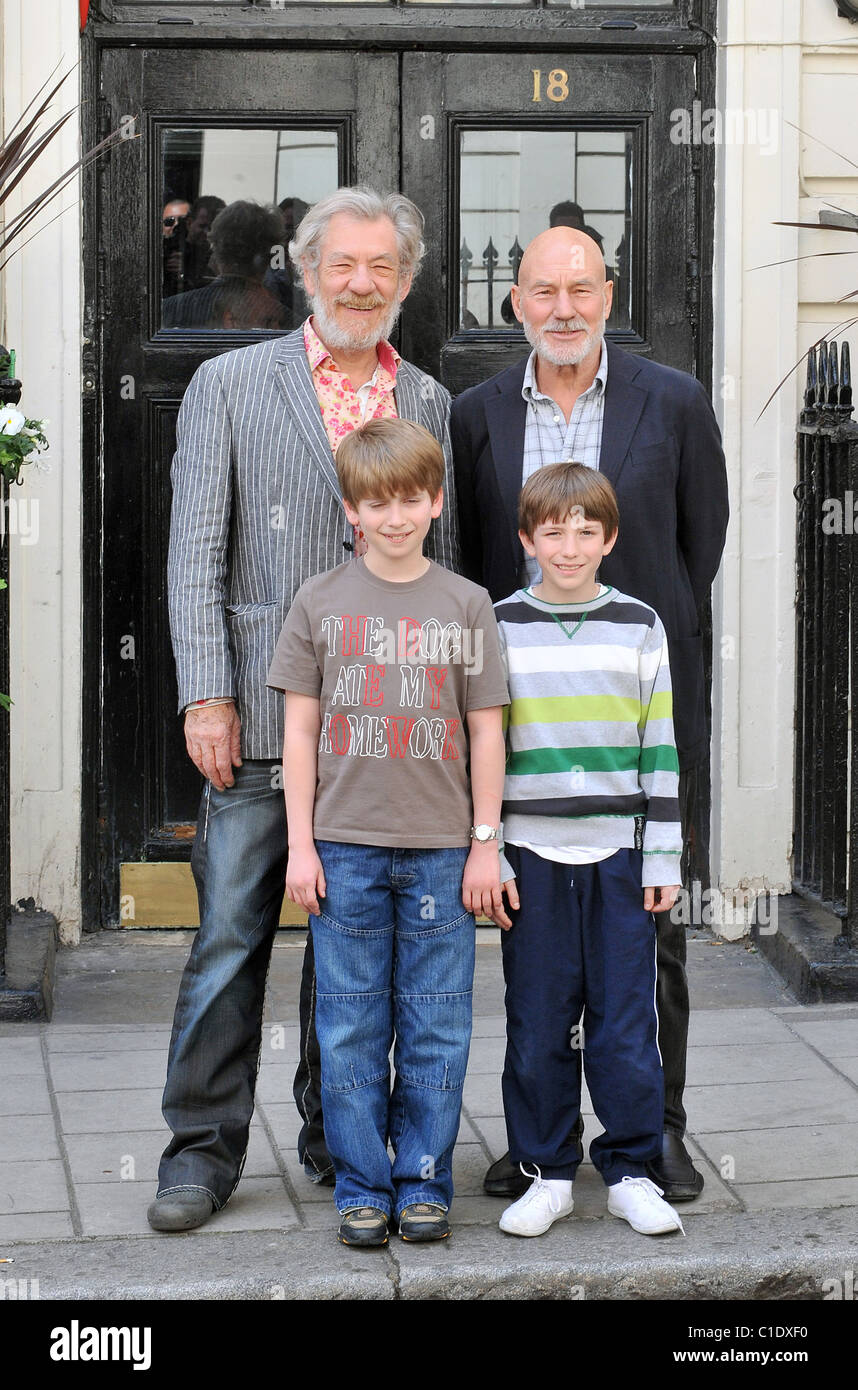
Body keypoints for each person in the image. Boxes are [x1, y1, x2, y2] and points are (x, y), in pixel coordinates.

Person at [149, 187, 459, 1234]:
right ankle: (200, 1146)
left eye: (383, 268)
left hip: (382, 736)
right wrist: (206, 691)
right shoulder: (230, 382)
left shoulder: (429, 399)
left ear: (405, 283)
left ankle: (342, 1137)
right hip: (257, 714)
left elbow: (439, 574)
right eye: (344, 264)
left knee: (357, 939)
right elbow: (195, 549)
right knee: (233, 935)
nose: (362, 283)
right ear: (307, 268)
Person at [451, 225, 729, 1203]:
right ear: (516, 302)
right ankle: (544, 1142)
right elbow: (472, 563)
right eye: (543, 291)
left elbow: (697, 552)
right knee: (540, 946)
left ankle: (660, 1135)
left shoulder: (676, 402)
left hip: (632, 713)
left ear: (607, 293)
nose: (562, 307)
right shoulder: (476, 414)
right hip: (517, 734)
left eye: (580, 288)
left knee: (652, 928)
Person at [268, 418, 511, 1246]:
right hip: (345, 847)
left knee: (439, 1019)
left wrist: (486, 840)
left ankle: (424, 1182)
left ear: (435, 502)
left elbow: (486, 730)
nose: (396, 516)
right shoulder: (319, 602)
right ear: (352, 511)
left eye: (411, 498)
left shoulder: (467, 604)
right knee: (350, 1023)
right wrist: (300, 844)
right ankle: (363, 1185)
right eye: (378, 502)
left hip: (445, 849)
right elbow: (299, 735)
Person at [494, 461, 684, 1239]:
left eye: (584, 531)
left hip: (619, 856)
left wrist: (664, 856)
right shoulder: (499, 624)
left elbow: (660, 747)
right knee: (538, 1022)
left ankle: (634, 1169)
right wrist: (491, 849)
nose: (568, 546)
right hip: (530, 852)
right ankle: (546, 1172)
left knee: (624, 1021)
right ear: (526, 537)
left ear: (608, 537)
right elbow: (483, 749)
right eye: (551, 531)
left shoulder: (639, 624)